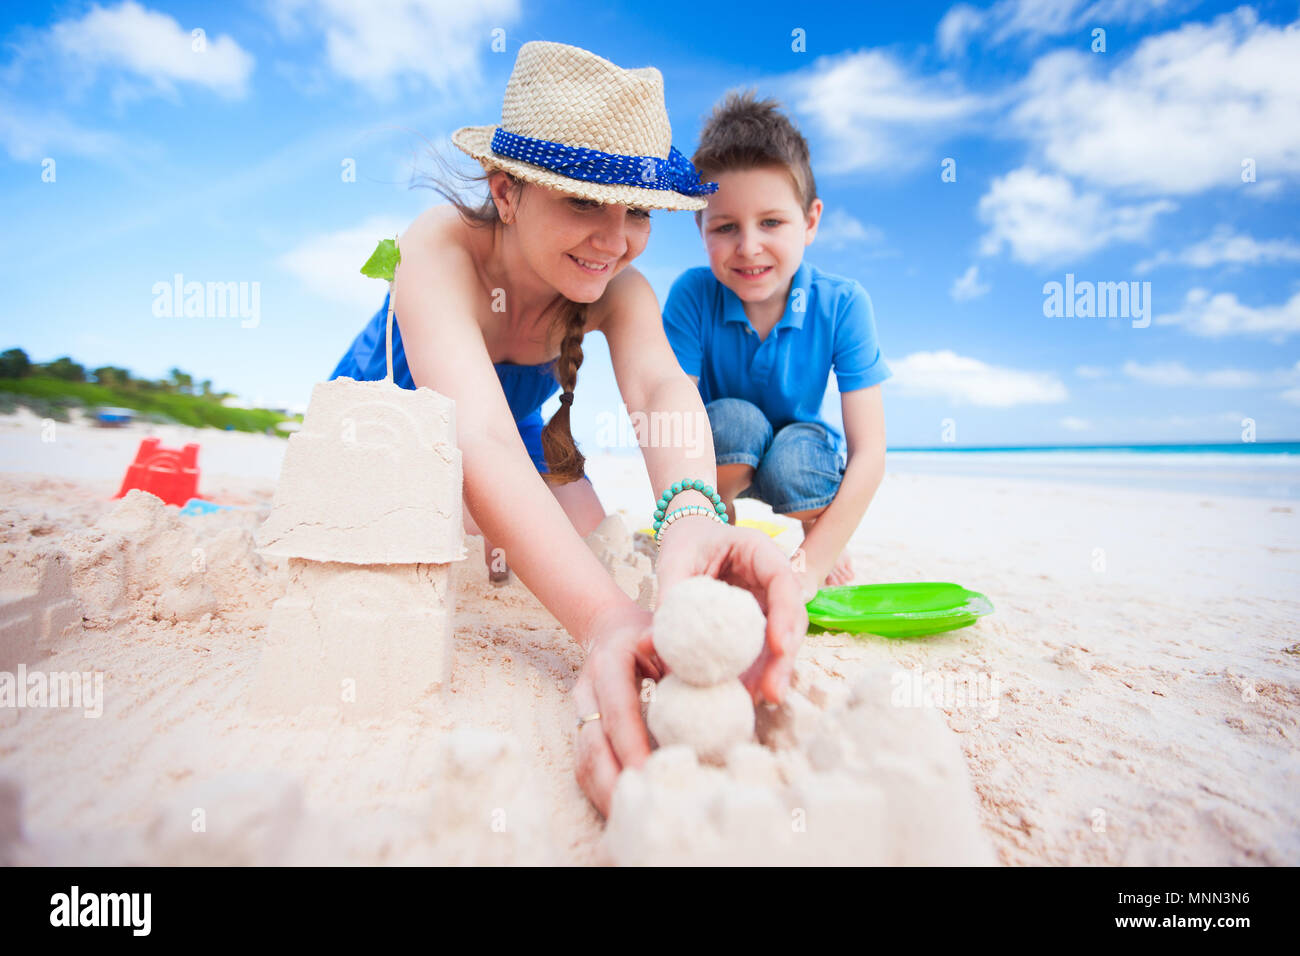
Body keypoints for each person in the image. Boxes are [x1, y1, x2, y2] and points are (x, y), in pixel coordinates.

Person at [328, 42, 808, 817]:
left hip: (507, 426)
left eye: (637, 211)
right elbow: (474, 439)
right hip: (400, 409)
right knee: (451, 523)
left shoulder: (616, 286)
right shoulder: (439, 246)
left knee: (584, 534)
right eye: (584, 202)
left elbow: (660, 385)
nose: (614, 240)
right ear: (505, 192)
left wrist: (689, 512)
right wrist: (607, 621)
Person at [662, 90, 892, 599]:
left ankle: (819, 529)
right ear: (700, 225)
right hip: (721, 450)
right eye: (726, 226)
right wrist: (688, 516)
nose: (749, 247)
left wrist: (809, 567)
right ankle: (716, 518)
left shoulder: (844, 303)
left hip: (798, 456)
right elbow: (672, 421)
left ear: (810, 221)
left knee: (795, 457)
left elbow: (870, 452)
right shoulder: (692, 296)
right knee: (737, 420)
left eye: (771, 222)